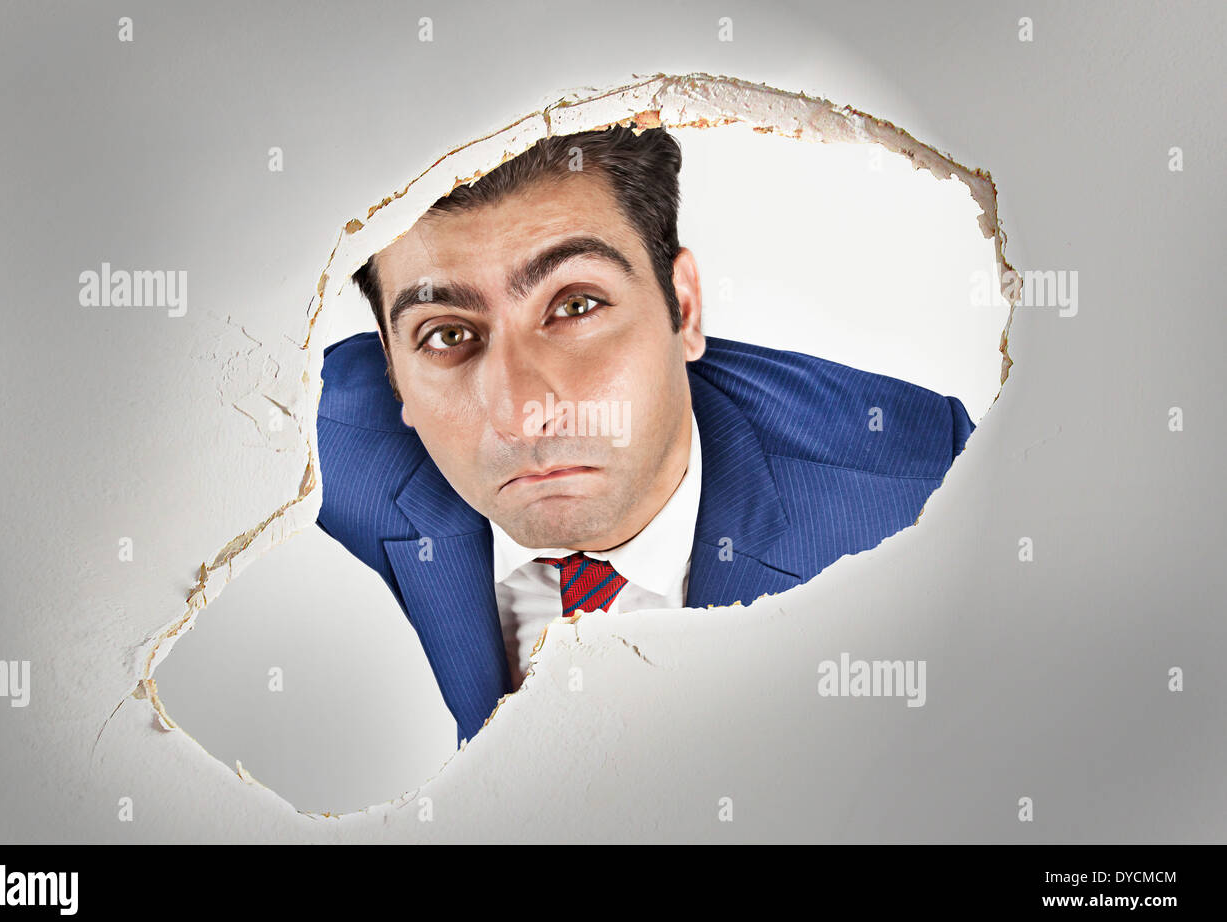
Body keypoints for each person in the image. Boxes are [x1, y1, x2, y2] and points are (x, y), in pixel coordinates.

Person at [316, 125, 974, 745]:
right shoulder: (303, 443)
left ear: (683, 307)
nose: (522, 414)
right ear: (392, 368)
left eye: (574, 306)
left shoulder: (925, 496)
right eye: (447, 334)